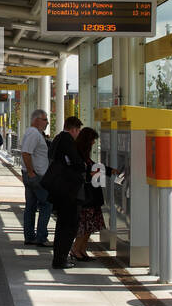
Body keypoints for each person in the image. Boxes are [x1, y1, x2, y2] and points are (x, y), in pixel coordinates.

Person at [44, 116, 85, 269]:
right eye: (78, 130)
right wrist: (83, 167)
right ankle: (61, 259)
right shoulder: (67, 140)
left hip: (60, 190)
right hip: (68, 191)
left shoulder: (57, 139)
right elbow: (77, 163)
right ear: (74, 129)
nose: (78, 134)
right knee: (69, 226)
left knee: (62, 225)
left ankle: (59, 257)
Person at [71, 127, 107, 260]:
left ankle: (82, 250)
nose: (93, 143)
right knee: (85, 226)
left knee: (89, 226)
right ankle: (76, 250)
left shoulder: (85, 155)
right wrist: (90, 174)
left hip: (91, 197)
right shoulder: (79, 155)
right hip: (85, 197)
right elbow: (77, 172)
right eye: (92, 140)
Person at [20, 108, 51, 246]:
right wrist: (31, 172)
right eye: (45, 119)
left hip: (31, 174)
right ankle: (41, 237)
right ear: (36, 120)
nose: (47, 122)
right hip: (36, 176)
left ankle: (29, 236)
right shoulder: (33, 133)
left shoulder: (33, 133)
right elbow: (26, 153)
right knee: (46, 205)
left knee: (31, 206)